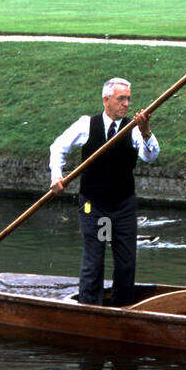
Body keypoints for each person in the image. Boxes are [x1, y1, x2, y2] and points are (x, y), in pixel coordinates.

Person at [50, 78, 159, 305]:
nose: (126, 104)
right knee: (94, 259)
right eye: (121, 99)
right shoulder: (86, 125)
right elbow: (58, 147)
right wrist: (56, 177)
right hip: (95, 207)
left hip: (123, 207)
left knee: (126, 262)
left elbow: (151, 156)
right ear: (106, 100)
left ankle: (122, 309)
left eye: (128, 99)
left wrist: (146, 130)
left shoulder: (134, 128)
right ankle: (89, 309)